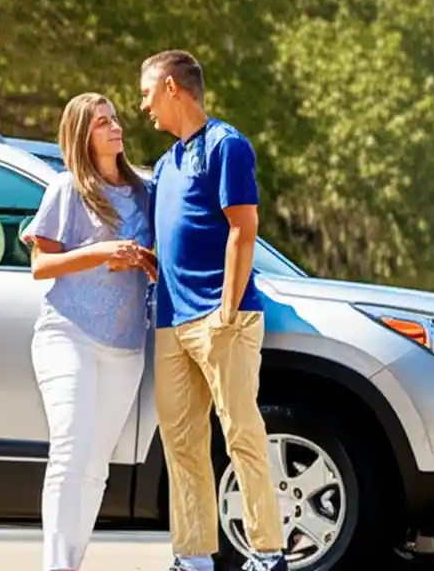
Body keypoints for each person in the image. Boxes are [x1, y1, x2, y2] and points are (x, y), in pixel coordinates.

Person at [138, 50, 287, 571]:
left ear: (173, 88)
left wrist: (226, 309)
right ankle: (194, 555)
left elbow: (243, 227)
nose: (143, 106)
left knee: (242, 434)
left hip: (223, 319)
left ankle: (268, 552)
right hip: (171, 323)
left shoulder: (227, 145)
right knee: (182, 443)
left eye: (147, 92)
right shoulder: (165, 163)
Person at [20, 91, 157, 571]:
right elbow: (42, 265)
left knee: (96, 466)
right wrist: (102, 253)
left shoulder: (145, 190)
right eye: (102, 122)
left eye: (115, 118)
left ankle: (72, 563)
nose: (115, 127)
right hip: (68, 334)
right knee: (70, 450)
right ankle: (55, 566)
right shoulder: (67, 188)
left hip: (125, 346)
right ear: (82, 134)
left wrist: (148, 263)